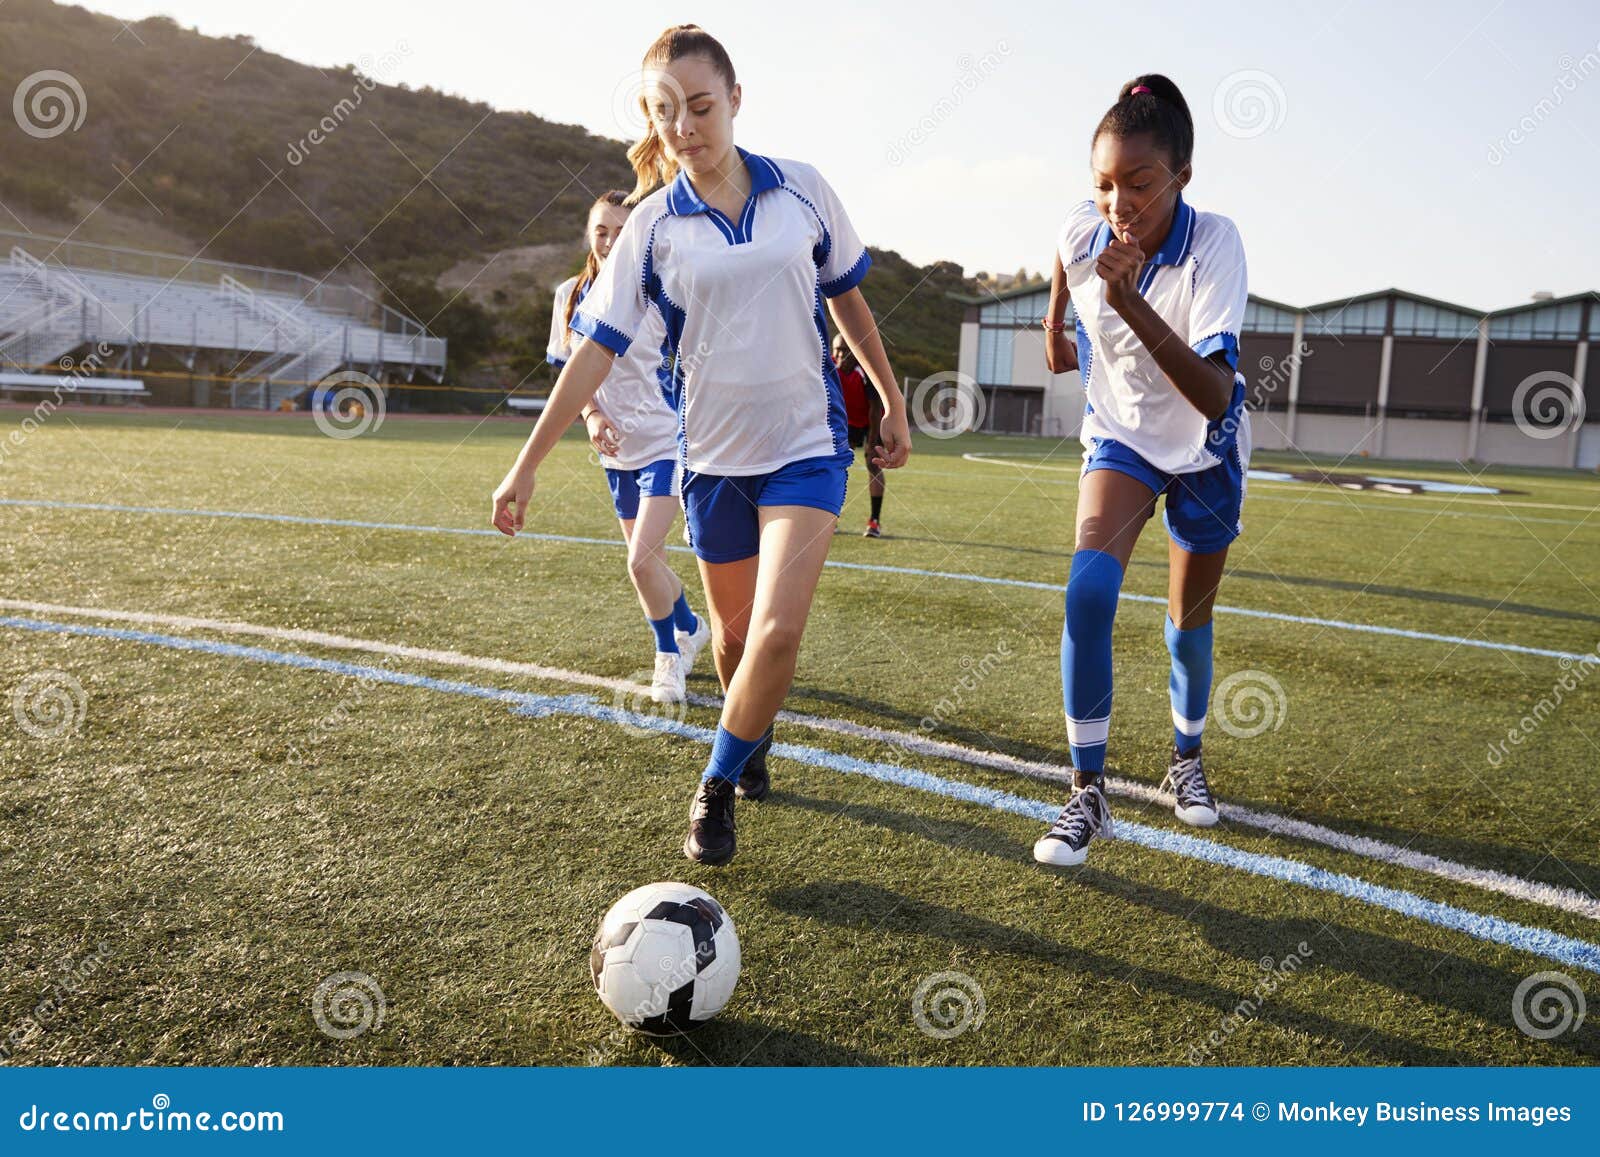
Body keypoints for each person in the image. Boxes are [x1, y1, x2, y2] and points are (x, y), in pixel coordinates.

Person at [493, 25, 910, 866]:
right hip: (713, 461)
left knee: (779, 632)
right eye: (666, 110)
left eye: (702, 105)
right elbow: (594, 351)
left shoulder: (804, 191)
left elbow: (849, 303)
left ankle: (714, 783)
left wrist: (891, 397)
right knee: (730, 641)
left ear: (736, 99)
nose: (686, 124)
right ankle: (748, 733)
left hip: (807, 444)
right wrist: (525, 462)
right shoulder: (650, 227)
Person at [1033, 73, 1251, 867]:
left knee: (1188, 625)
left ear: (1181, 178)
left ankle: (1185, 758)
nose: (1118, 203)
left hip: (1205, 448)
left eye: (1139, 183)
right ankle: (1087, 793)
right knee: (1087, 593)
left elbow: (1215, 391)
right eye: (1103, 183)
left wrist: (1127, 304)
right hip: (1120, 439)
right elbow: (1066, 243)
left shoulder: (1216, 243)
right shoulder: (1087, 229)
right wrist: (1055, 322)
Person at [546, 190, 710, 703]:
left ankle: (668, 658)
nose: (611, 239)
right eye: (601, 230)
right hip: (614, 451)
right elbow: (569, 374)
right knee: (649, 562)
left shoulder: (663, 290)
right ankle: (690, 625)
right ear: (588, 235)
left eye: (622, 230)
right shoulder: (570, 294)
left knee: (641, 561)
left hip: (664, 443)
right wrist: (592, 415)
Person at [832, 333, 887, 537]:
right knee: (834, 466)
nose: (840, 354)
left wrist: (872, 442)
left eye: (845, 350)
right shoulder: (828, 366)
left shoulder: (866, 369)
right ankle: (831, 517)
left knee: (872, 464)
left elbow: (874, 408)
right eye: (837, 349)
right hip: (846, 421)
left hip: (871, 420)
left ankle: (874, 521)